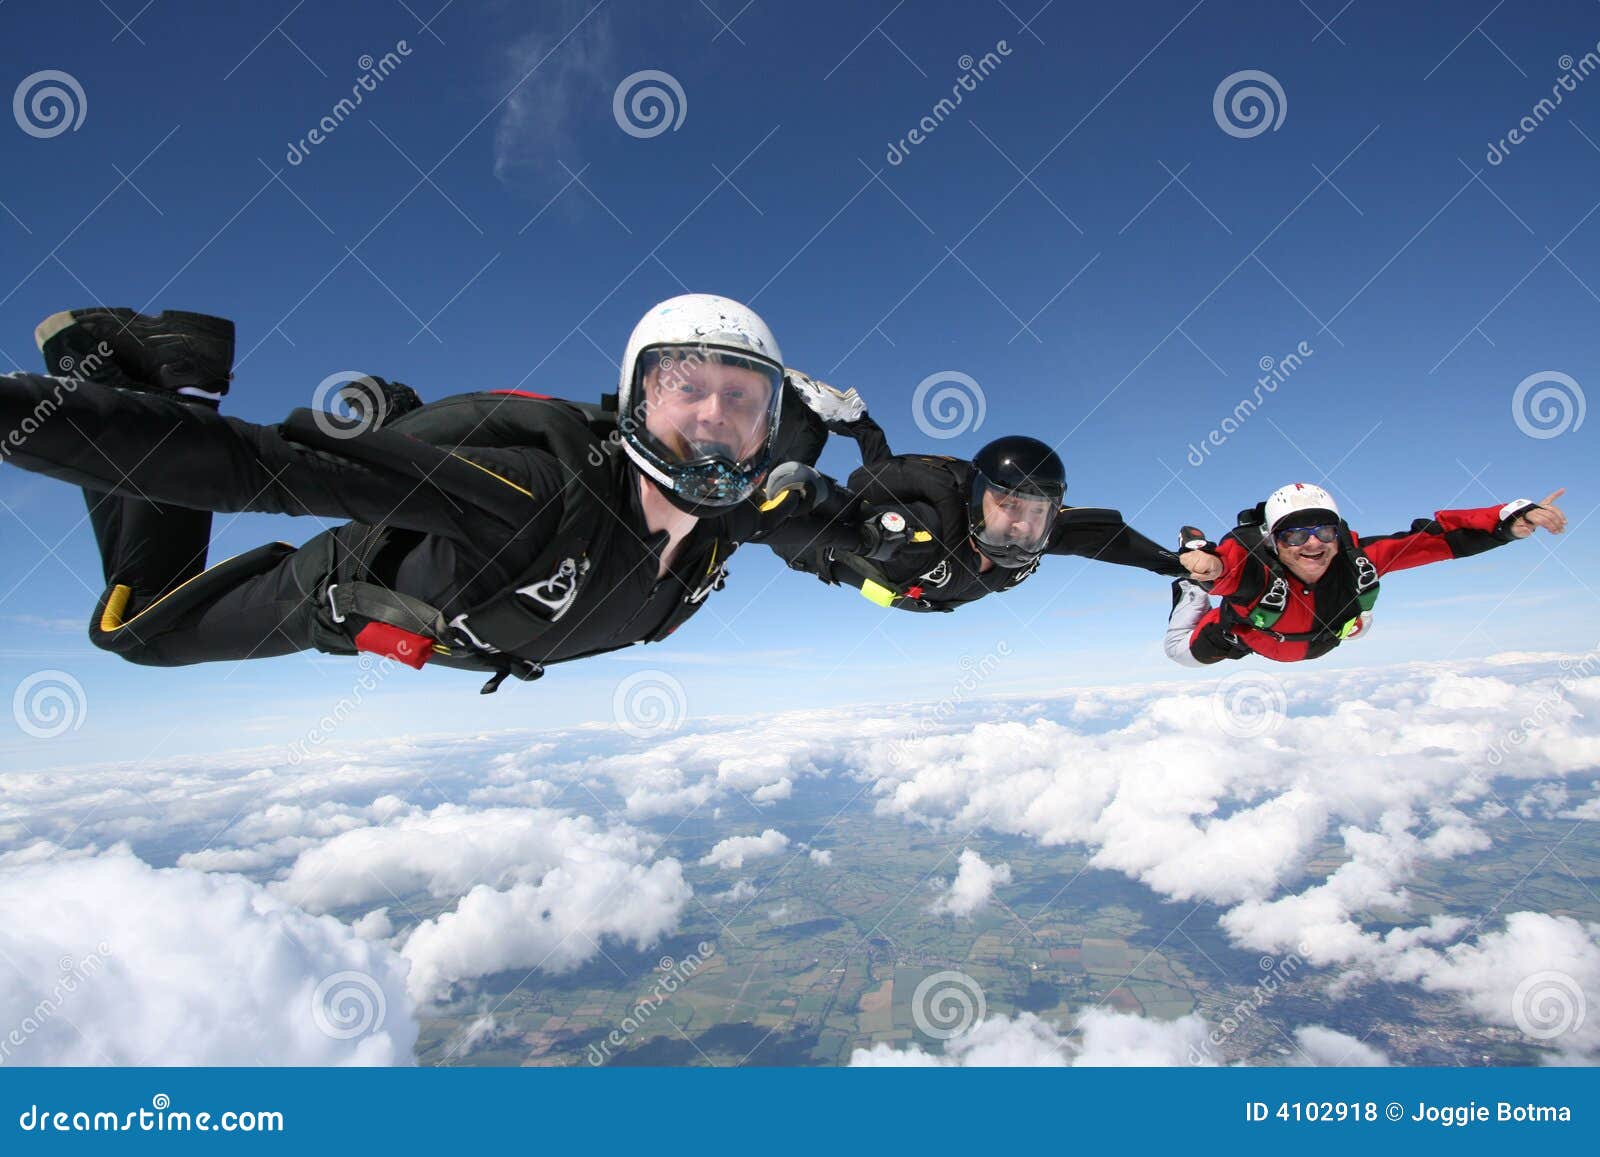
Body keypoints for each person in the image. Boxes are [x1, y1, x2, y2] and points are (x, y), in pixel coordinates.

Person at [0, 294, 856, 693]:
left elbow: (834, 526)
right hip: (339, 596)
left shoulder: (732, 521)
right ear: (637, 397)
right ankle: (161, 375)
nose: (714, 416)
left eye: (741, 398)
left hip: (452, 618)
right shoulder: (537, 499)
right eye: (686, 387)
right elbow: (263, 468)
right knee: (143, 634)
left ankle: (169, 370)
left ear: (767, 426)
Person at [765, 429, 1219, 612]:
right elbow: (849, 517)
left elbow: (1104, 537)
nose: (1022, 525)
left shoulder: (1038, 533)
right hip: (832, 551)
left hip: (924, 588)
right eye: (1008, 505)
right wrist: (804, 492)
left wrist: (1173, 563)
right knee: (786, 519)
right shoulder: (925, 532)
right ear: (975, 500)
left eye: (1038, 510)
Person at [1164, 481, 1568, 665]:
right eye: (1294, 535)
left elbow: (1440, 540)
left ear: (1338, 533)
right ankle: (1191, 592)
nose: (1312, 544)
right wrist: (1207, 568)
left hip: (1319, 638)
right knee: (1179, 652)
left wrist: (1507, 522)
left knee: (1359, 610)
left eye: (1324, 531)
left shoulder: (1360, 561)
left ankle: (1352, 617)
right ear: (1273, 541)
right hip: (1245, 638)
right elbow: (1226, 568)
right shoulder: (1251, 571)